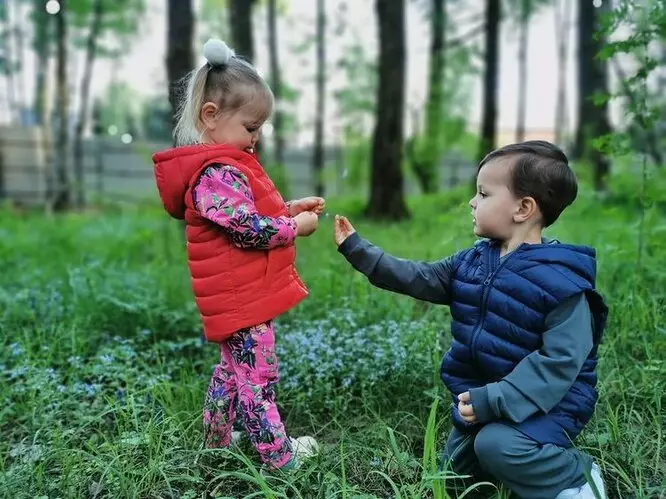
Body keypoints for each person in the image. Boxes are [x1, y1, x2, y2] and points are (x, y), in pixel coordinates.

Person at [334, 141, 609, 498]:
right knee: (451, 480)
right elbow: (421, 277)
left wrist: (492, 401)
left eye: (483, 193)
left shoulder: (562, 283)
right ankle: (510, 463)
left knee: (496, 446)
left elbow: (559, 365)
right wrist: (358, 249)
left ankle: (578, 476)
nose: (472, 202)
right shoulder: (475, 261)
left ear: (523, 208)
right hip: (483, 397)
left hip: (549, 404)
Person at [152, 38, 322, 471]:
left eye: (260, 127)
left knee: (232, 372)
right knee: (258, 378)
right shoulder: (217, 173)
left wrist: (287, 209)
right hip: (240, 299)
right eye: (250, 127)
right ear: (211, 116)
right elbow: (249, 230)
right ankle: (279, 459)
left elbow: (246, 215)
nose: (256, 137)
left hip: (237, 294)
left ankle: (215, 444)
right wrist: (294, 228)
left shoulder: (221, 169)